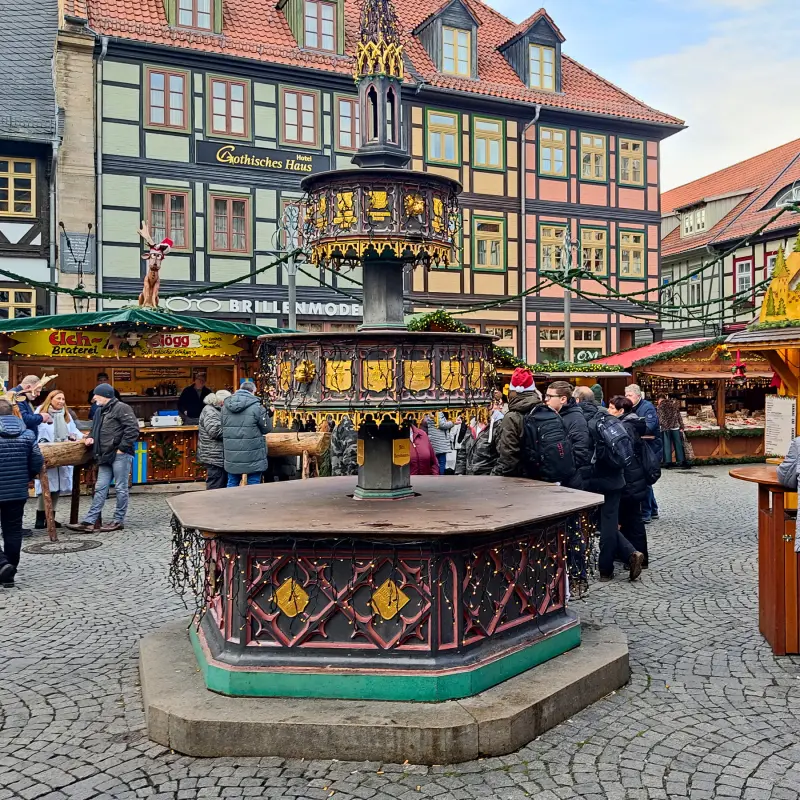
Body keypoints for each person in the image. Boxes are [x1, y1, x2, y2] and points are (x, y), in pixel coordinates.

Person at [574, 387, 644, 582]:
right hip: (614, 480)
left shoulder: (578, 420)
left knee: (589, 523)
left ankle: (597, 568)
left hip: (590, 481)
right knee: (609, 524)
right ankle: (612, 566)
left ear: (578, 401)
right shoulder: (607, 417)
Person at [66, 384, 139, 533]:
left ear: (105, 395)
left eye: (96, 395)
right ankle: (89, 521)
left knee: (120, 488)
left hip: (120, 455)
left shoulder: (122, 408)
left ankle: (118, 520)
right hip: (104, 455)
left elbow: (133, 429)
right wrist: (91, 437)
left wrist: (121, 449)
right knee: (100, 488)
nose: (93, 398)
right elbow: (95, 429)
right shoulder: (100, 411)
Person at [0, 399, 44, 587]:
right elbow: (37, 461)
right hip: (17, 491)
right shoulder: (27, 435)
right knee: (13, 530)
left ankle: (2, 565)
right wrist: (27, 476)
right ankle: (9, 570)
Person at [608, 395, 650, 567]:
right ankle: (632, 554)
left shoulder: (625, 427)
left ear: (621, 411)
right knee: (630, 518)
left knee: (633, 520)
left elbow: (624, 455)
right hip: (635, 479)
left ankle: (638, 557)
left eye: (611, 408)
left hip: (630, 480)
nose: (609, 411)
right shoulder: (632, 424)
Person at [34, 390, 84, 529]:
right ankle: (40, 518)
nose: (61, 401)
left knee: (56, 488)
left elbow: (73, 430)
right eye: (58, 398)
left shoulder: (66, 415)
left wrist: (78, 436)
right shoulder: (40, 413)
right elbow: (36, 432)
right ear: (50, 399)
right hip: (47, 454)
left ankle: (51, 518)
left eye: (63, 399)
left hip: (62, 454)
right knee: (45, 487)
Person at [491, 368, 542, 477]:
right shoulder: (544, 410)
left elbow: (508, 455)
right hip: (544, 476)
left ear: (512, 391)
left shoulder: (511, 417)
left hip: (521, 479)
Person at [625, 384, 662, 523]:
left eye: (630, 395)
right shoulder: (633, 408)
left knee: (644, 479)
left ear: (638, 396)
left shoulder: (647, 407)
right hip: (643, 447)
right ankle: (653, 510)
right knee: (645, 479)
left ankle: (646, 512)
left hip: (650, 448)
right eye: (626, 395)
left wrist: (633, 429)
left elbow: (650, 427)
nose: (627, 398)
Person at [222, 381, 270, 487]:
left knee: (232, 481)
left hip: (232, 453)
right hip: (253, 452)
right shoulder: (257, 407)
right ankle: (252, 503)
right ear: (252, 391)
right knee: (253, 482)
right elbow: (267, 428)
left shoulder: (225, 407)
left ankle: (230, 502)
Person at [549, 381, 592, 489]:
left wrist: (564, 470)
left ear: (563, 399)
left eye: (549, 396)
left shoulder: (575, 418)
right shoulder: (556, 415)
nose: (546, 400)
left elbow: (580, 451)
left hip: (569, 482)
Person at [197, 390, 231, 490]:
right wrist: (233, 431)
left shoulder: (216, 410)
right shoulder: (210, 411)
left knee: (220, 483)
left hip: (216, 455)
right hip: (213, 455)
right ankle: (212, 504)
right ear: (222, 402)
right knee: (215, 484)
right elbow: (215, 431)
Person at [657, 393, 687, 468]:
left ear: (659, 400)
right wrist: (682, 426)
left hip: (666, 427)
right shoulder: (674, 404)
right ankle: (680, 461)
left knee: (667, 445)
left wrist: (663, 425)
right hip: (675, 426)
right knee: (678, 444)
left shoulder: (660, 406)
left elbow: (660, 418)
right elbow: (679, 416)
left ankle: (668, 462)